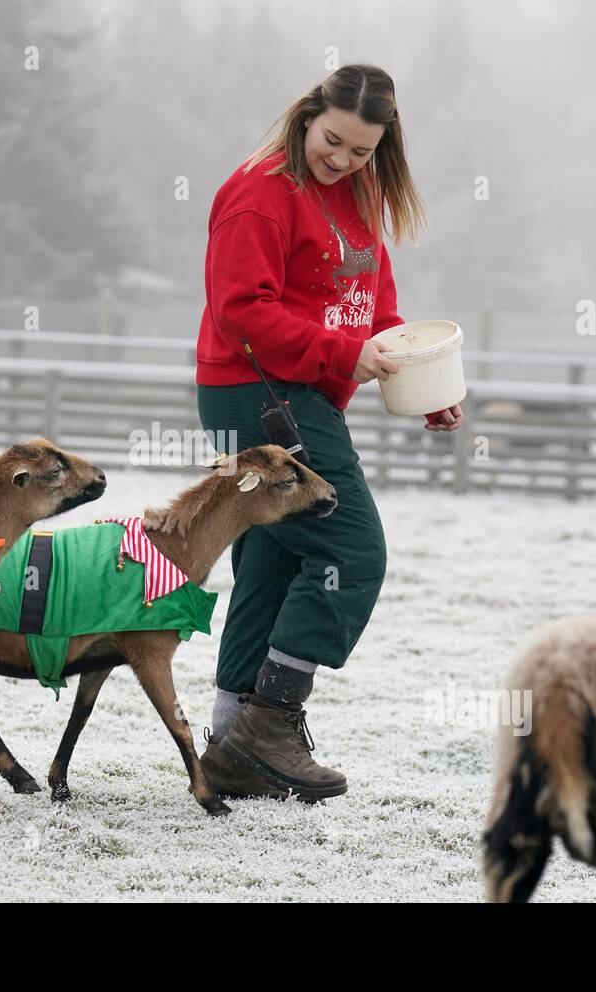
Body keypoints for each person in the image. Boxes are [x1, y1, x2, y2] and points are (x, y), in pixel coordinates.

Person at [191, 64, 463, 801]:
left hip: (302, 392)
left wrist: (421, 383)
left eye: (362, 151)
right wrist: (345, 355)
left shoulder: (361, 196)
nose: (342, 160)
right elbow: (241, 309)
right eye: (333, 142)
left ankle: (229, 746)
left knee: (274, 560)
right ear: (310, 115)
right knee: (350, 548)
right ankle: (272, 723)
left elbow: (374, 307)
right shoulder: (259, 193)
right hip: (257, 393)